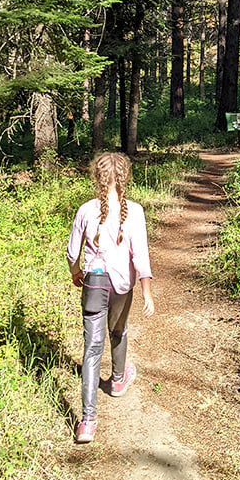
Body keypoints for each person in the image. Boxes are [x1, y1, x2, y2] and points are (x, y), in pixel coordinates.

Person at [66, 152, 154, 444]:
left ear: (96, 177)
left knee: (91, 350)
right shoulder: (135, 212)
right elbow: (140, 255)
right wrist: (146, 292)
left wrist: (76, 273)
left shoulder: (85, 210)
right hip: (122, 285)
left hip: (93, 281)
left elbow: (71, 253)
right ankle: (118, 380)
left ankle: (87, 422)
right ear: (125, 177)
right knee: (118, 331)